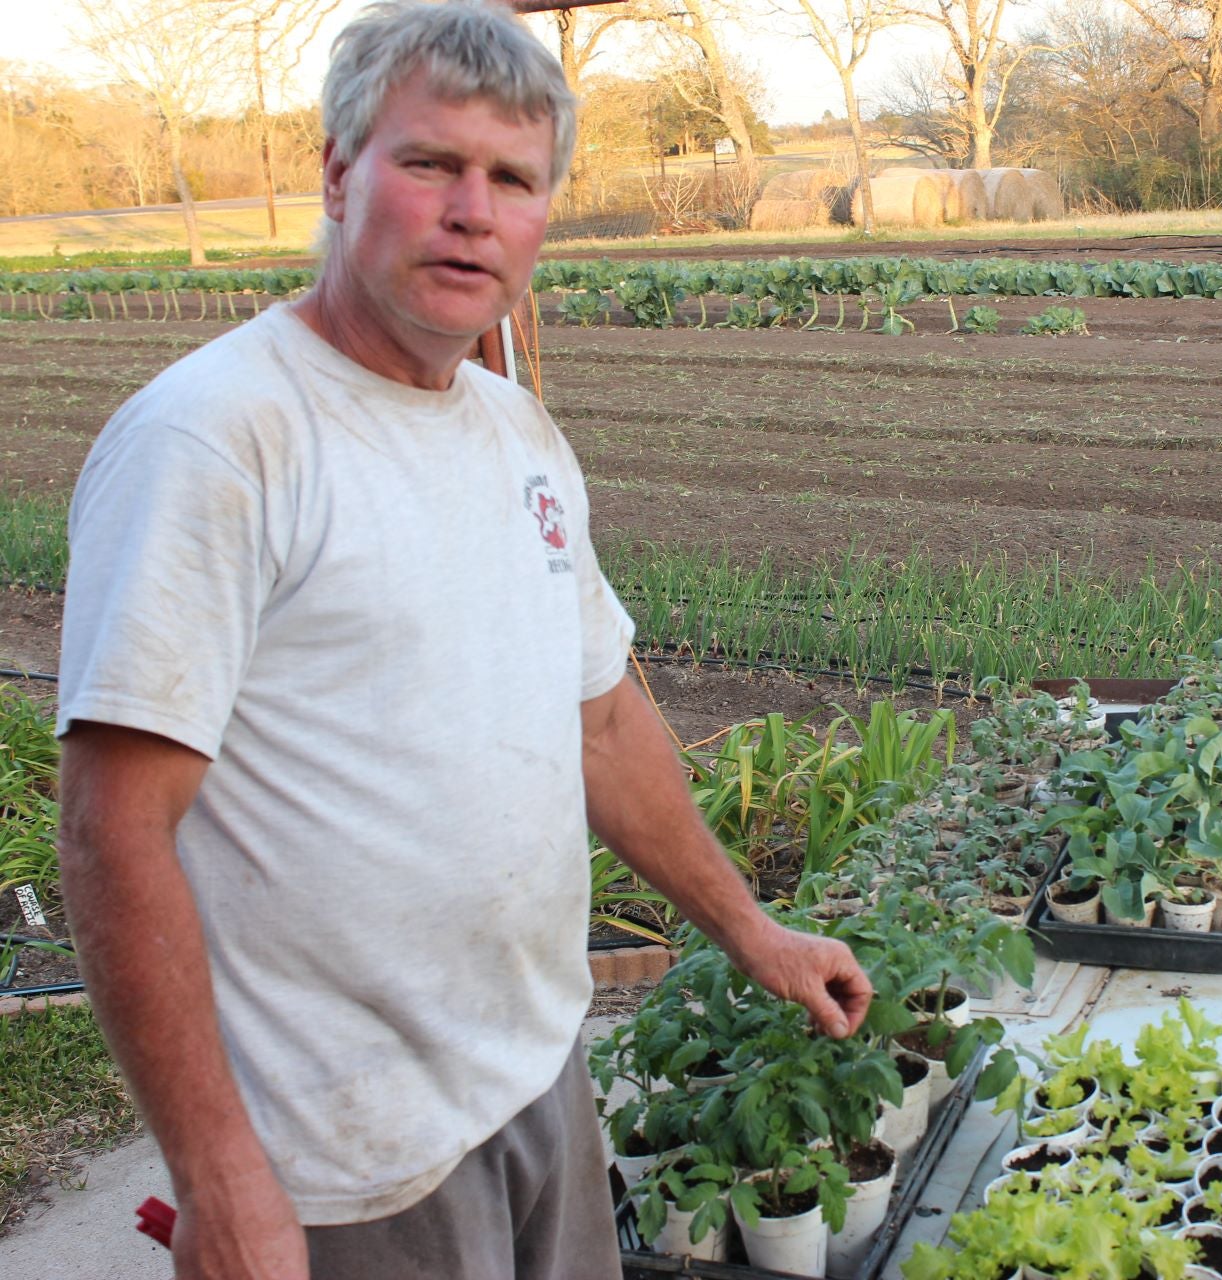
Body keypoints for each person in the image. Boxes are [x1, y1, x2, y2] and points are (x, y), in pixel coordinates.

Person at [54, 4, 871, 1277]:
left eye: (514, 178)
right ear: (338, 172)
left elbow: (600, 719)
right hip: (348, 1156)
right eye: (430, 162)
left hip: (536, 1075)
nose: (472, 210)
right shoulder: (219, 440)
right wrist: (220, 1175)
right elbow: (113, 830)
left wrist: (752, 930)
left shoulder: (514, 433)